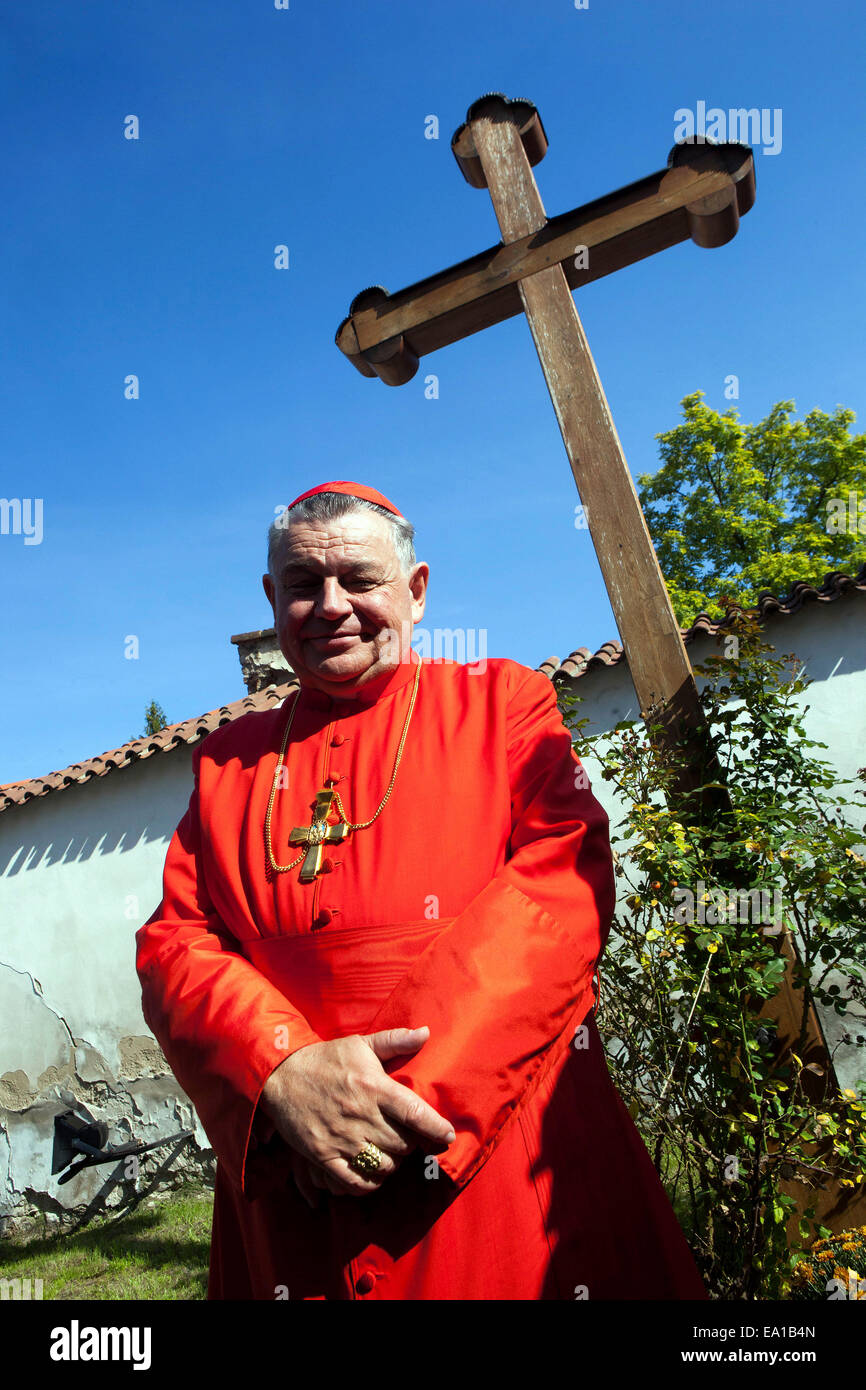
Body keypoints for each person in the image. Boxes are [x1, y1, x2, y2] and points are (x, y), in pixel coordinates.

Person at [135, 480, 707, 1301]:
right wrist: (282, 1075)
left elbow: (560, 888)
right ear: (271, 599)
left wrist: (385, 1109)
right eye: (303, 585)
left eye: (359, 580)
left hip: (485, 1147)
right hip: (296, 1169)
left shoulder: (502, 704)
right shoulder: (229, 760)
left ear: (417, 590)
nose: (332, 606)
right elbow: (176, 943)